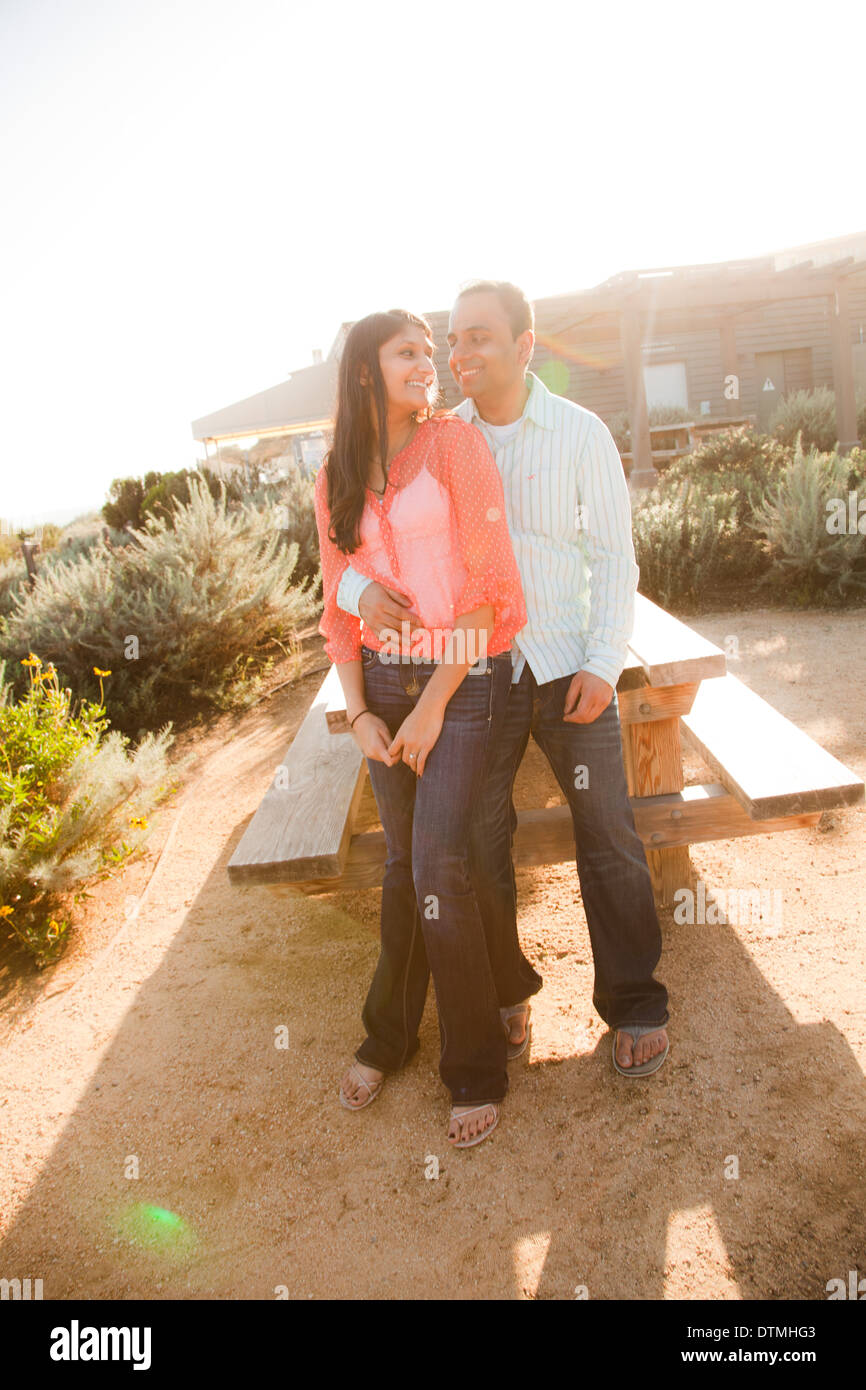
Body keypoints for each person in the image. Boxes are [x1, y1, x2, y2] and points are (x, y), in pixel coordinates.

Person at [336, 282, 670, 1077]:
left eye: (479, 337)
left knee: (609, 833)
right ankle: (505, 989)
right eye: (453, 339)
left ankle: (633, 1001)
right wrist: (355, 596)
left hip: (563, 667)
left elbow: (614, 559)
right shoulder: (437, 439)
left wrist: (601, 661)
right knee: (480, 843)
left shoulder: (581, 435)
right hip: (479, 674)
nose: (459, 355)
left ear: (526, 347)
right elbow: (363, 545)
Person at [313, 308, 528, 1147]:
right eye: (408, 352)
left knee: (440, 859)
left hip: (463, 682)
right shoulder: (336, 470)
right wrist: (361, 710)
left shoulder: (457, 448)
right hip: (384, 689)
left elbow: (492, 590)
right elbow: (336, 605)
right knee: (404, 865)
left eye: (429, 352)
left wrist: (437, 701)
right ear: (365, 369)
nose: (427, 363)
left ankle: (475, 1069)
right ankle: (389, 1035)